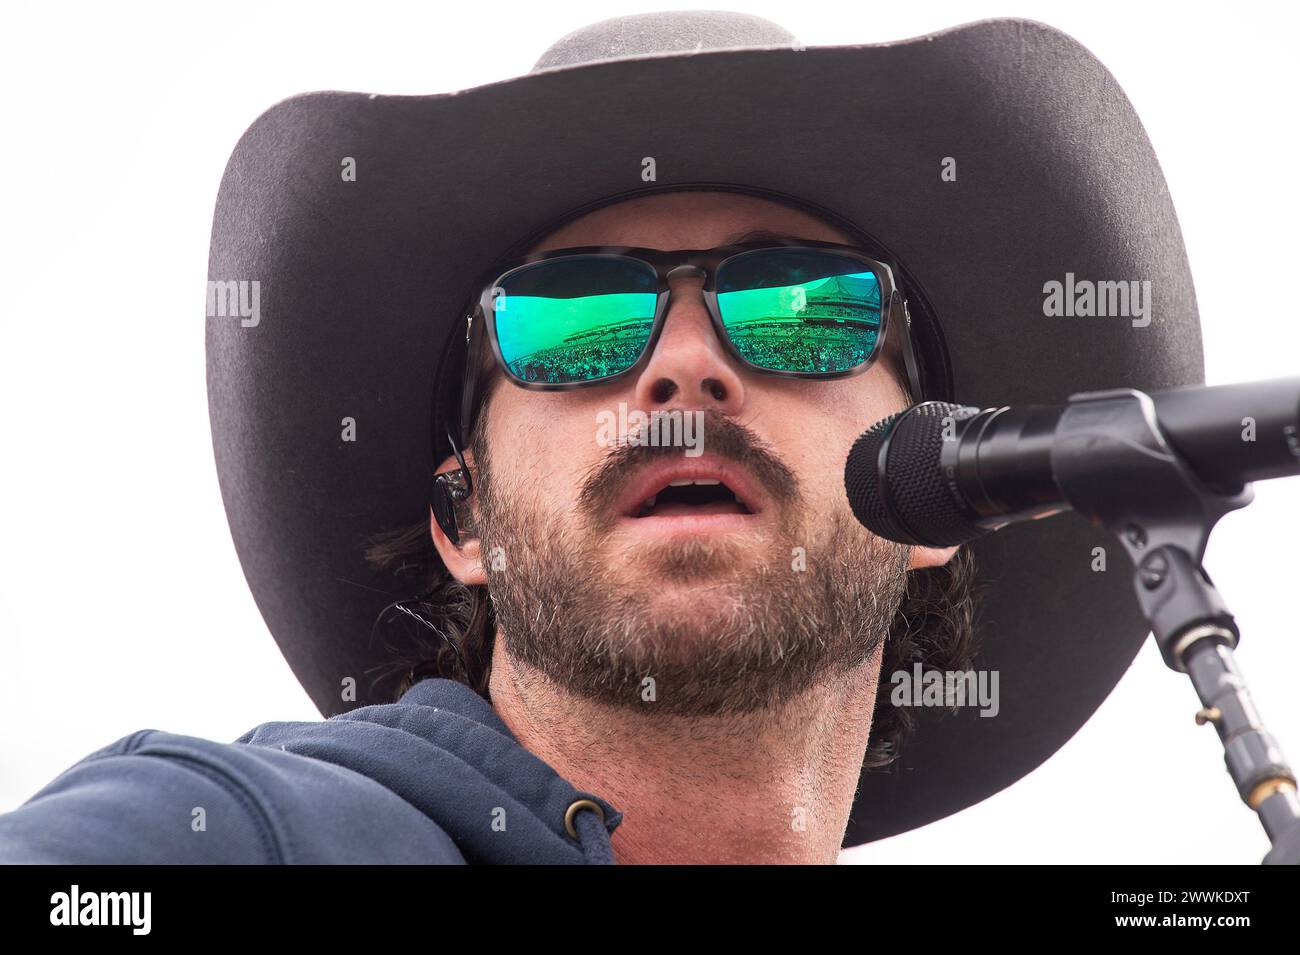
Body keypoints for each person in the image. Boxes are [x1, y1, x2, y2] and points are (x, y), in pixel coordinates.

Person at [0, 10, 1203, 863]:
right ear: (462, 518)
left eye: (803, 308)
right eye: (575, 320)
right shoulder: (225, 834)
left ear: (935, 487)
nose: (684, 362)